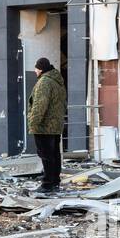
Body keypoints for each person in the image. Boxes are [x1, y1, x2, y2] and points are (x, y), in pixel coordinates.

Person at [27, 57, 66, 192]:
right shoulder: (58, 81)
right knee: (54, 154)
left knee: (46, 155)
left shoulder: (44, 82)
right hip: (55, 125)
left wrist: (33, 123)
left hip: (44, 126)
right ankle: (54, 181)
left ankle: (47, 184)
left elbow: (39, 105)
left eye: (36, 68)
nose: (35, 70)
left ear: (41, 69)